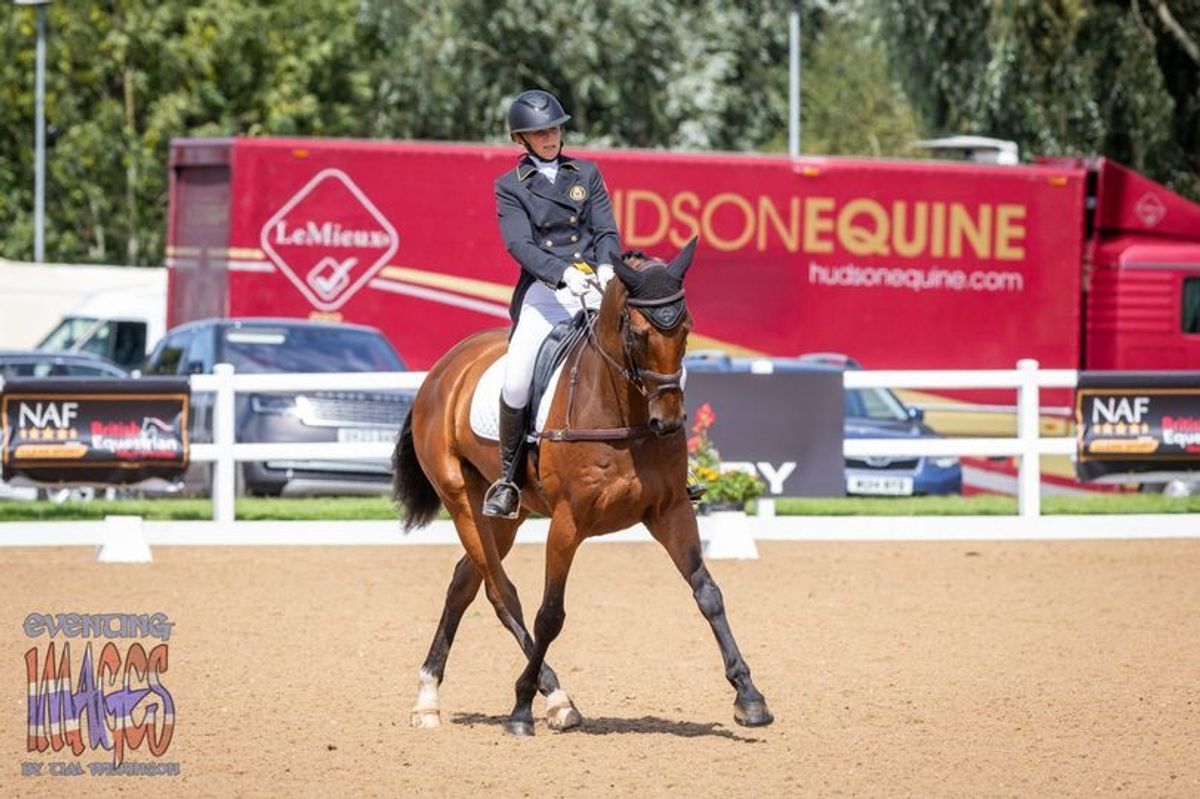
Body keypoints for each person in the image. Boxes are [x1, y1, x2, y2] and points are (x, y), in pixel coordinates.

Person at [483, 89, 704, 518]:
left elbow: (605, 230)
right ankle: (509, 479)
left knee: (665, 359)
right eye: (539, 132)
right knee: (517, 378)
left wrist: (605, 270)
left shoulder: (586, 173)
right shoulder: (510, 187)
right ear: (521, 140)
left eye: (554, 129)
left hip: (598, 285)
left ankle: (680, 464)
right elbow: (518, 244)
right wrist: (562, 275)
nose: (550, 137)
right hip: (546, 292)